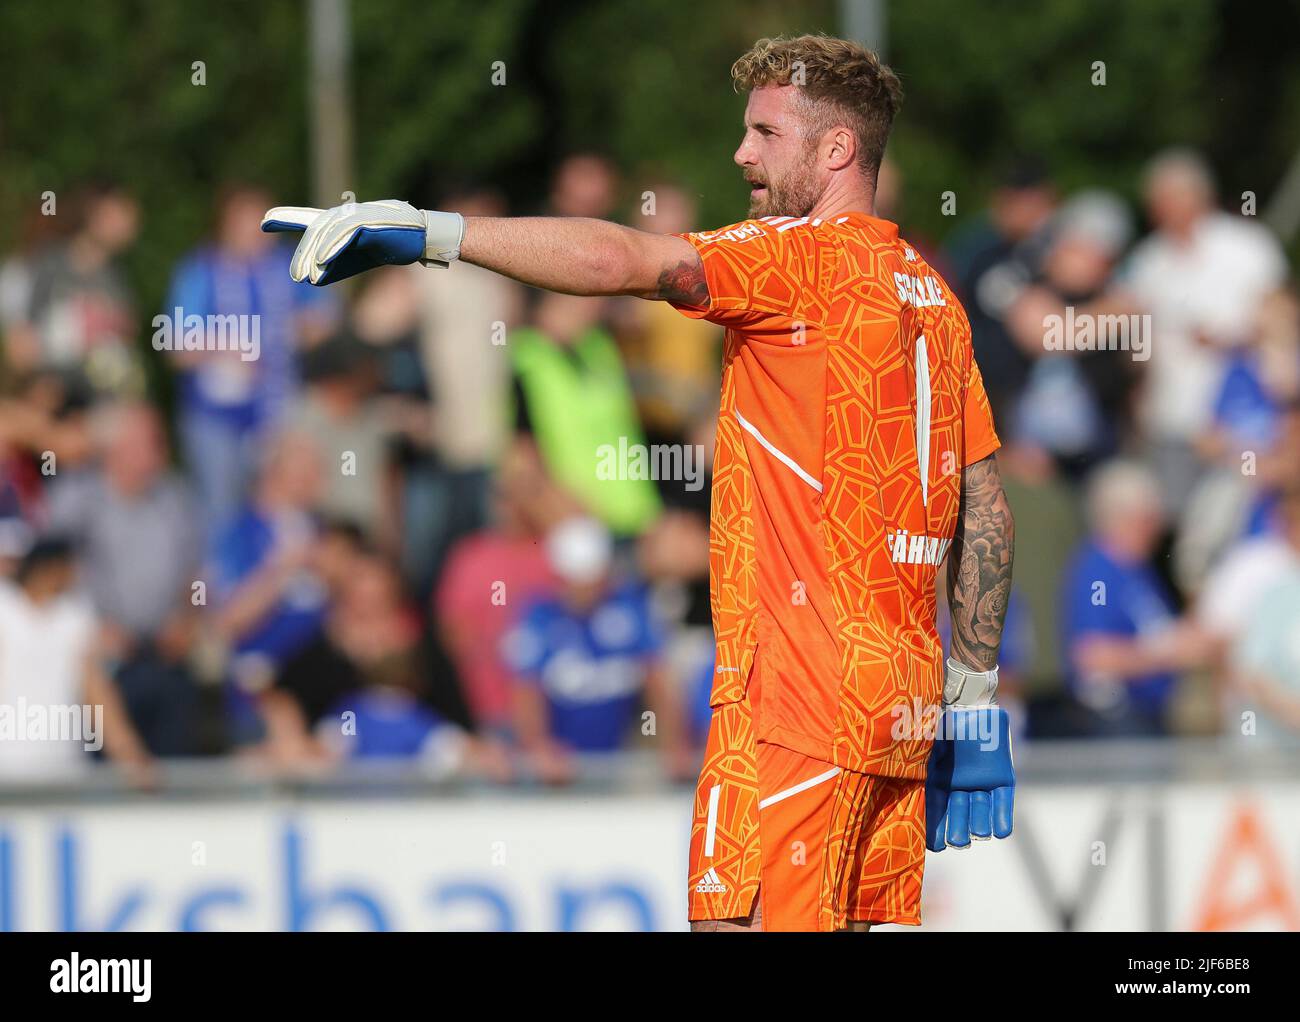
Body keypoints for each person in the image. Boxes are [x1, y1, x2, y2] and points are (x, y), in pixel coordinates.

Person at [263, 33, 1018, 933]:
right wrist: (968, 699)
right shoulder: (936, 299)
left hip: (801, 697)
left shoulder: (798, 260)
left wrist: (432, 234)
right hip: (889, 696)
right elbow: (987, 515)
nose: (742, 153)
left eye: (766, 133)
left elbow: (624, 261)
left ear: (837, 149)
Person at [45, 402, 203, 756]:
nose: (161, 450)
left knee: (175, 759)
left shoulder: (175, 499)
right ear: (116, 448)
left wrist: (189, 618)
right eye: (151, 441)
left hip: (166, 656)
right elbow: (50, 577)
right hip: (104, 663)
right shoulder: (76, 499)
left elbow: (198, 577)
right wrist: (91, 627)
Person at [1059, 460, 1208, 736]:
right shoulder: (1097, 570)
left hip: (1150, 716)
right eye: (1148, 518)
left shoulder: (1138, 570)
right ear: (1122, 517)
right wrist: (1169, 653)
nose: (1156, 528)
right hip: (1118, 721)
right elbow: (1091, 655)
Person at [0, 537, 152, 782]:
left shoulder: (76, 618)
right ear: (51, 567)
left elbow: (97, 693)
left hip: (63, 767)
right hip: (6, 769)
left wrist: (130, 757)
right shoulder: (4, 609)